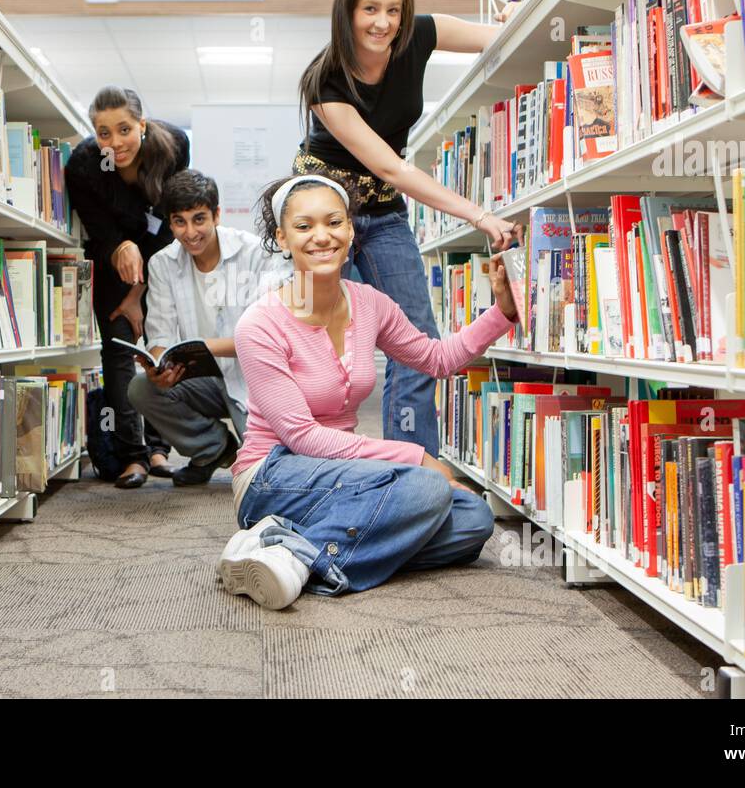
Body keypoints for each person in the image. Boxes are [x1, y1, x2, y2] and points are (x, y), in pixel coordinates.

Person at [217, 175, 519, 610]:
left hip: (346, 476)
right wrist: (417, 457)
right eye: (304, 227)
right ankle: (304, 548)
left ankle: (287, 551)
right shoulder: (260, 324)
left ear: (352, 230)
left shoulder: (370, 303)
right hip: (274, 475)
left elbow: (436, 359)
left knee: (474, 521)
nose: (322, 236)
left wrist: (503, 312)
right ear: (282, 239)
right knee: (424, 492)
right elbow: (302, 437)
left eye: (334, 222)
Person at [295, 0, 523, 459]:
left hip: (384, 212)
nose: (383, 23)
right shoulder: (325, 80)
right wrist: (478, 214)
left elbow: (501, 37)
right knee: (322, 344)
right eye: (370, 9)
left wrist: (513, 15)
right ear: (347, 11)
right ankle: (318, 468)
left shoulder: (421, 33)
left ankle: (414, 471)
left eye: (393, 10)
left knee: (418, 341)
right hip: (326, 216)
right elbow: (392, 167)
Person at [129, 169, 290, 487]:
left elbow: (266, 335)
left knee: (271, 474)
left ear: (217, 215)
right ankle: (213, 448)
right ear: (170, 222)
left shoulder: (256, 254)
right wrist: (159, 364)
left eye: (199, 219)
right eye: (179, 221)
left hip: (253, 380)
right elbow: (159, 331)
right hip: (199, 379)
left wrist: (206, 345)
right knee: (141, 388)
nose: (190, 233)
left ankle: (249, 449)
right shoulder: (162, 263)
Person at [65, 86, 189, 489]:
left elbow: (170, 223)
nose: (115, 143)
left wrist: (141, 292)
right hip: (113, 260)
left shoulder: (173, 148)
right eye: (103, 133)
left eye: (123, 129)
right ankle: (131, 456)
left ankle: (158, 449)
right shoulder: (83, 166)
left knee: (160, 349)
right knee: (119, 353)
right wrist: (122, 248)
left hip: (160, 258)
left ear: (142, 124)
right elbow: (99, 231)